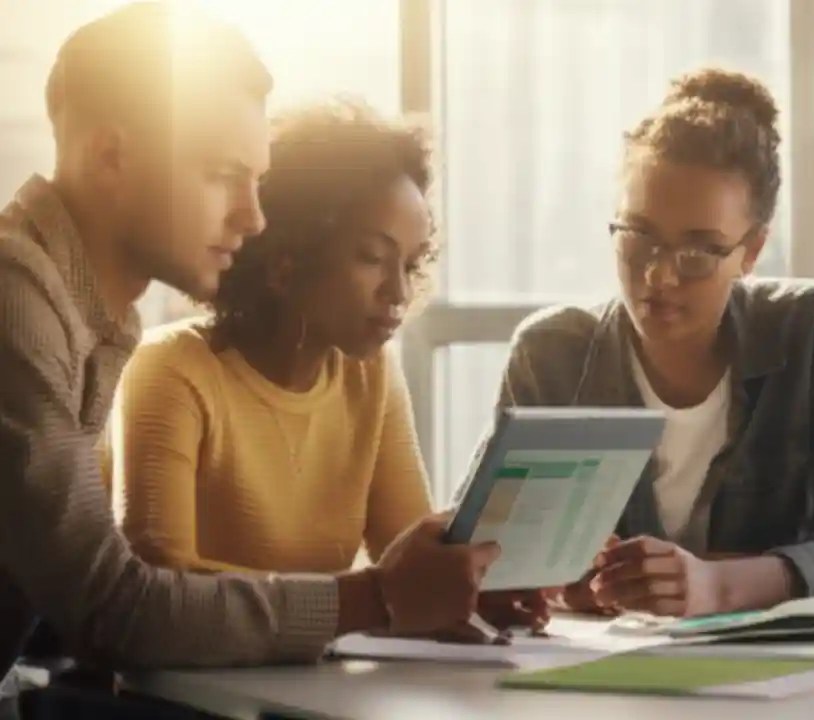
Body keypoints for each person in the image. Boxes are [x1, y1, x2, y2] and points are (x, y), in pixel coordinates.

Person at [0, 4, 513, 712]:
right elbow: (113, 608)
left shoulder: (85, 312)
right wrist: (377, 597)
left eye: (256, 179)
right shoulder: (16, 302)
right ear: (110, 157)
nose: (256, 218)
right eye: (221, 174)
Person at [500, 68, 814, 618]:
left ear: (752, 250)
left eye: (698, 252)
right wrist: (558, 582)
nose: (659, 277)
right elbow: (490, 559)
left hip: (781, 679)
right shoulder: (550, 354)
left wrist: (717, 585)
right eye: (638, 238)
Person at [104, 100, 437, 576]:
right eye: (371, 257)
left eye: (410, 264)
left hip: (315, 653)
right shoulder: (171, 369)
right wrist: (365, 600)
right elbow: (161, 576)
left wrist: (478, 590)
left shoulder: (372, 374)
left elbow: (411, 569)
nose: (399, 292)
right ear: (287, 260)